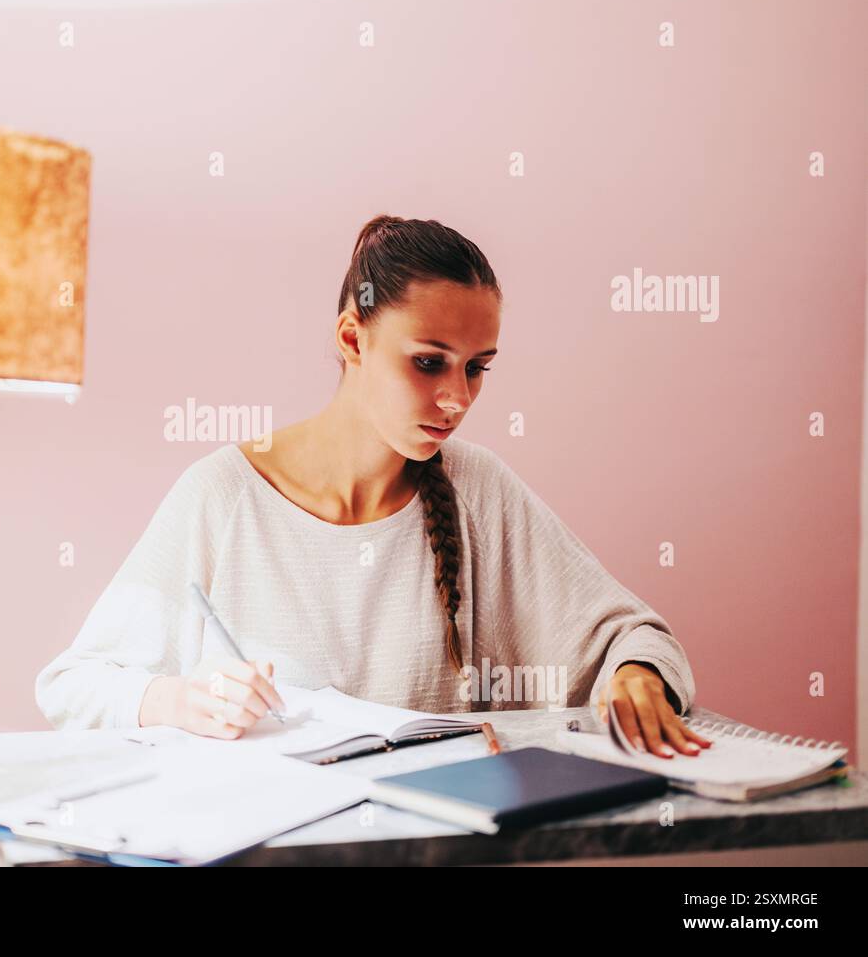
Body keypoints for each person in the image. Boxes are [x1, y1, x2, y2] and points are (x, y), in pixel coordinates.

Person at [35, 214, 710, 760]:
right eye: (428, 362)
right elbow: (73, 686)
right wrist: (184, 701)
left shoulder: (479, 491)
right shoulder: (221, 495)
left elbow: (634, 635)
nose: (456, 399)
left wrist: (636, 677)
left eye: (477, 368)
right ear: (353, 340)